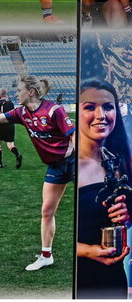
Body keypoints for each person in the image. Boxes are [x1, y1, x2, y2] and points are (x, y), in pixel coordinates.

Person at [0, 75, 74, 271]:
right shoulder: (21, 113)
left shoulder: (53, 110)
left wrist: (86, 165)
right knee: (47, 211)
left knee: (95, 204)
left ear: (30, 92)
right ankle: (46, 256)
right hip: (55, 166)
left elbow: (74, 134)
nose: (16, 94)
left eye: (19, 91)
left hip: (75, 162)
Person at [77, 78, 132, 298]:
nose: (101, 115)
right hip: (79, 279)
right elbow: (48, 231)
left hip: (113, 279)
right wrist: (88, 251)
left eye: (108, 107)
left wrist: (127, 216)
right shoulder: (66, 164)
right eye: (90, 107)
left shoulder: (119, 163)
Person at [0, 88, 23, 168]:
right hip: (11, 125)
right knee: (10, 144)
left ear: (0, 94)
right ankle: (18, 155)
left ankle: (0, 163)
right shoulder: (11, 103)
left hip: (2, 124)